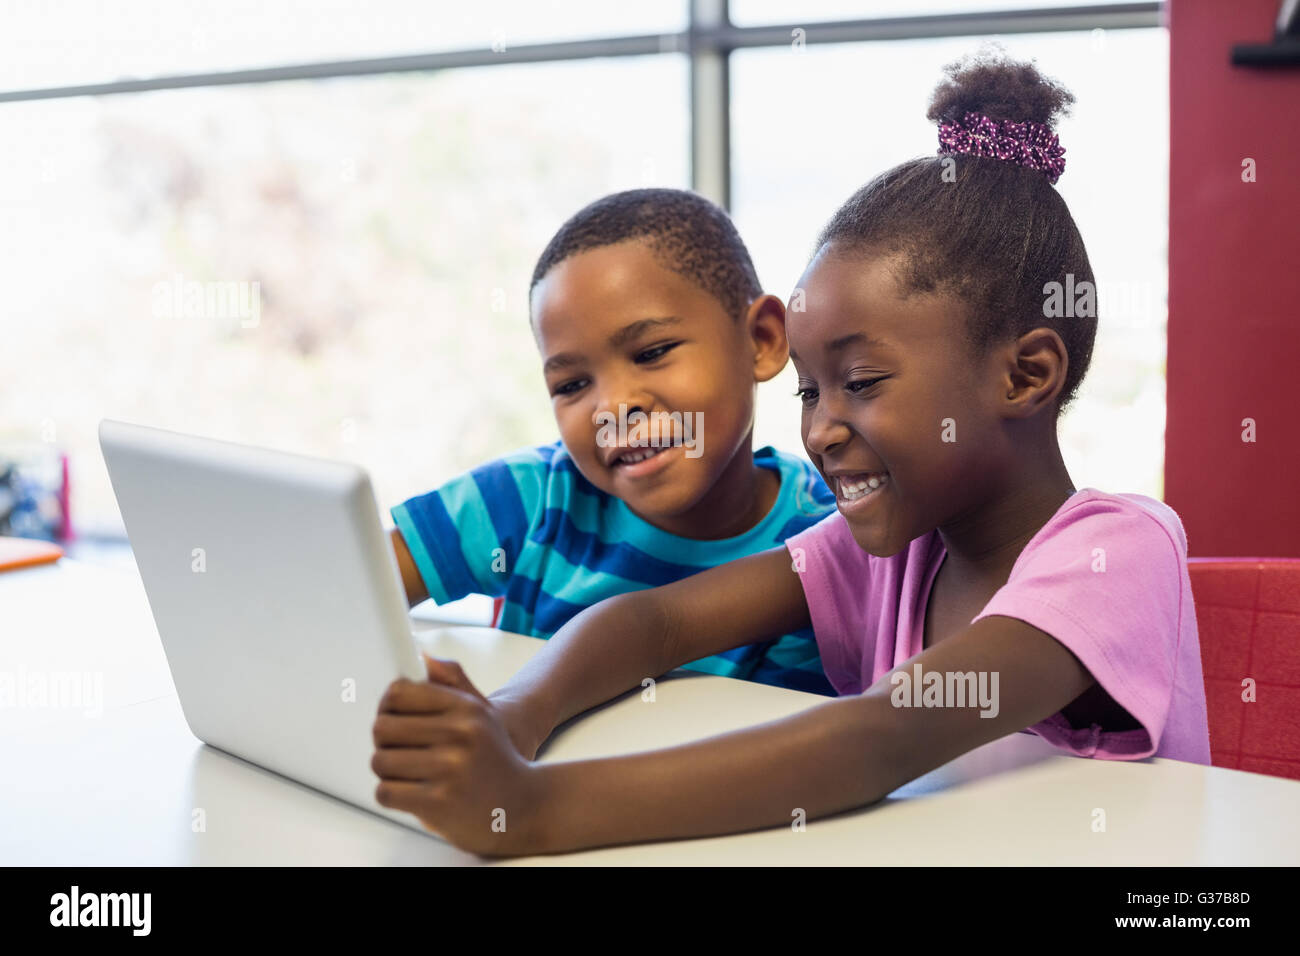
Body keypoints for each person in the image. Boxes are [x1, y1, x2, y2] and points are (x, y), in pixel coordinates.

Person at [372, 52, 1210, 857]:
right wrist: (517, 711)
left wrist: (530, 808)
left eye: (863, 381)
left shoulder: (1115, 554)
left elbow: (883, 733)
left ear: (1025, 375)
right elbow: (653, 622)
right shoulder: (892, 551)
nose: (821, 430)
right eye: (811, 391)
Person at [390, 188, 837, 695]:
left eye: (652, 352)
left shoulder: (825, 546)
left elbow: (767, 752)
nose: (613, 408)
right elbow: (347, 589)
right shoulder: (529, 496)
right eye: (572, 385)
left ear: (761, 340)